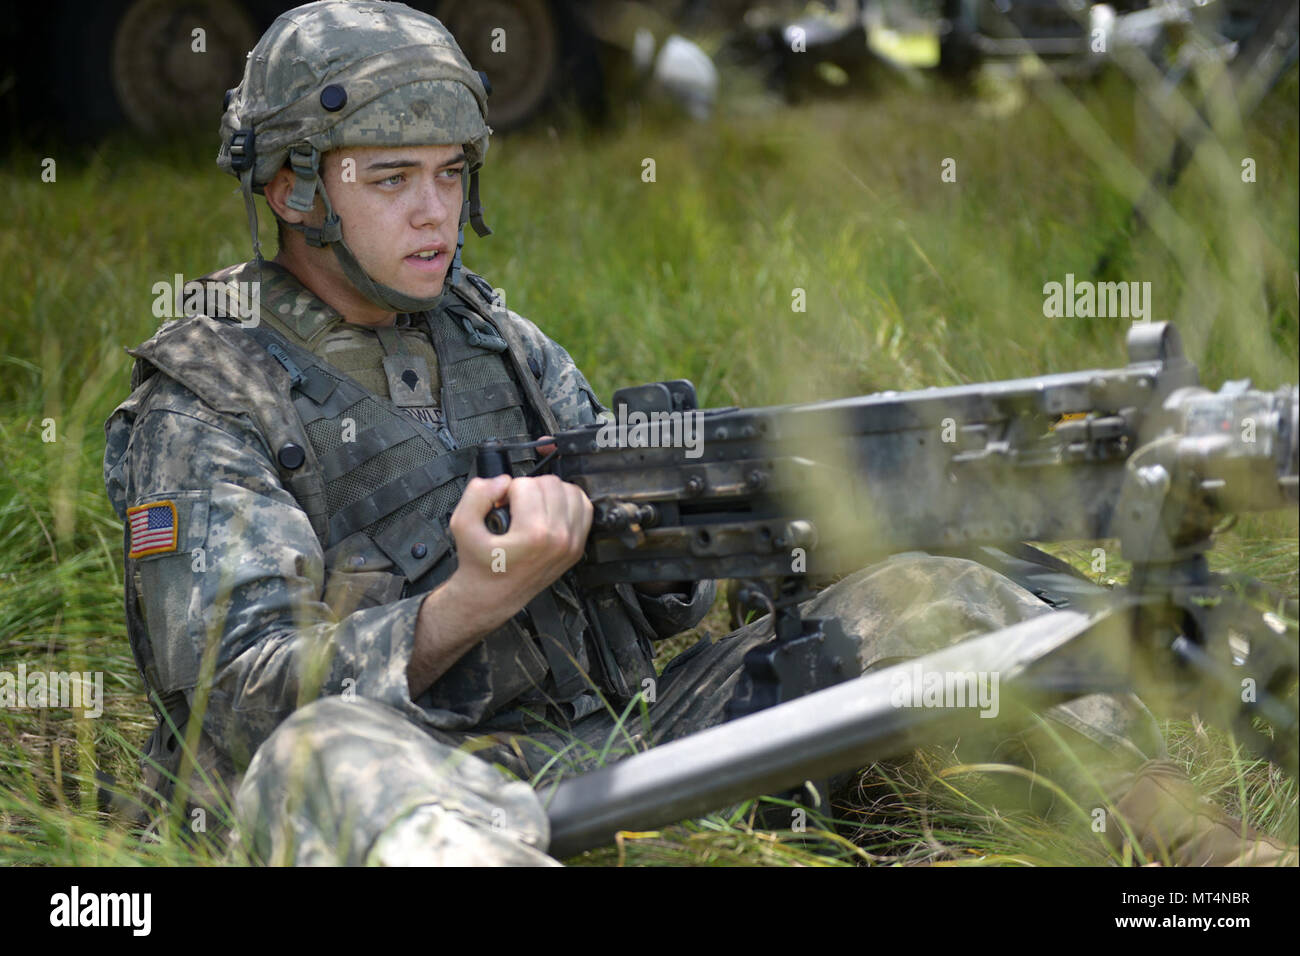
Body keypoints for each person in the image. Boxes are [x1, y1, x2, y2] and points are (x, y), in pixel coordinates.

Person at [103, 0, 1292, 866]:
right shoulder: (209, 396)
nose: (435, 212)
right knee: (331, 762)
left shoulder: (495, 342)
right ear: (294, 191)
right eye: (390, 177)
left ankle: (1202, 857)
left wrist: (697, 536)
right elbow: (242, 702)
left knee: (929, 599)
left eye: (451, 173)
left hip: (608, 749)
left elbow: (629, 591)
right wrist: (470, 596)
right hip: (433, 788)